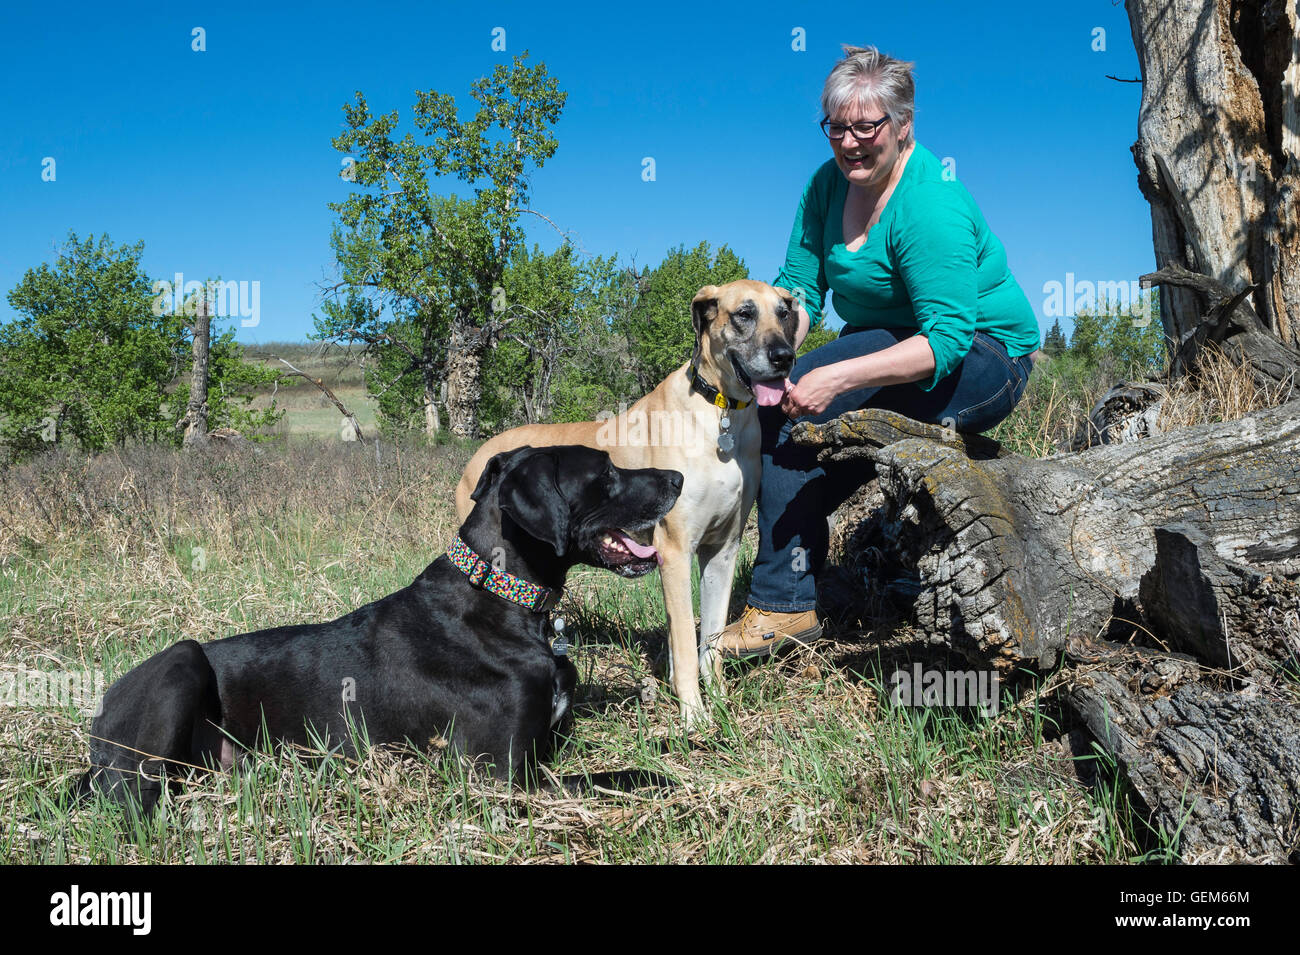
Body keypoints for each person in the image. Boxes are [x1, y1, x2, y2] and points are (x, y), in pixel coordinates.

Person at [713, 45, 1042, 659]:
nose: (850, 142)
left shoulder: (929, 203)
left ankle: (782, 606)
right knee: (779, 410)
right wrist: (778, 356)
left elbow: (944, 338)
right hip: (889, 345)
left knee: (809, 404)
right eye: (837, 127)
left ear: (903, 125)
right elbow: (800, 289)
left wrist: (832, 380)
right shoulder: (824, 187)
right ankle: (791, 586)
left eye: (867, 127)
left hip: (985, 358)